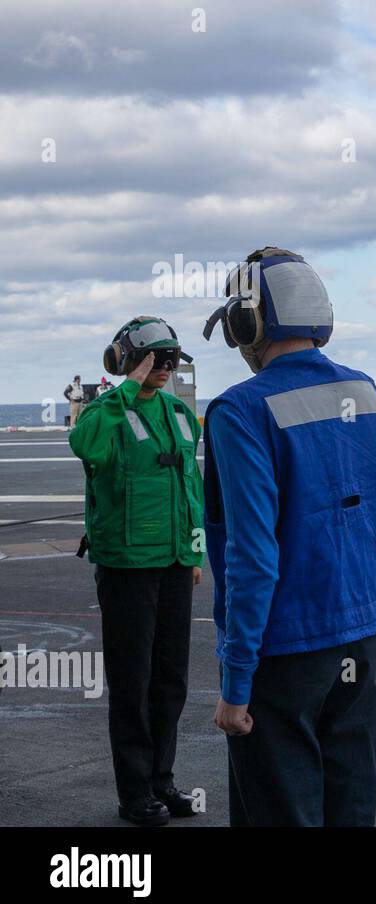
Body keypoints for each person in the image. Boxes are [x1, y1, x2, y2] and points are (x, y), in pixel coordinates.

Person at [202, 247, 376, 826]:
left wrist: (237, 681)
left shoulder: (240, 410)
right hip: (361, 639)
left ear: (247, 322)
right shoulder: (363, 392)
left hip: (283, 652)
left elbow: (252, 556)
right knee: (351, 806)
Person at [69, 317, 203, 826]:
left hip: (172, 563)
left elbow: (191, 486)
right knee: (133, 683)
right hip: (127, 566)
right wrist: (126, 387)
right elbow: (88, 447)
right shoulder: (106, 411)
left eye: (172, 360)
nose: (165, 369)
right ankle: (134, 792)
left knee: (170, 681)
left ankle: (161, 782)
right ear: (129, 359)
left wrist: (193, 553)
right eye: (155, 359)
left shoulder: (180, 414)